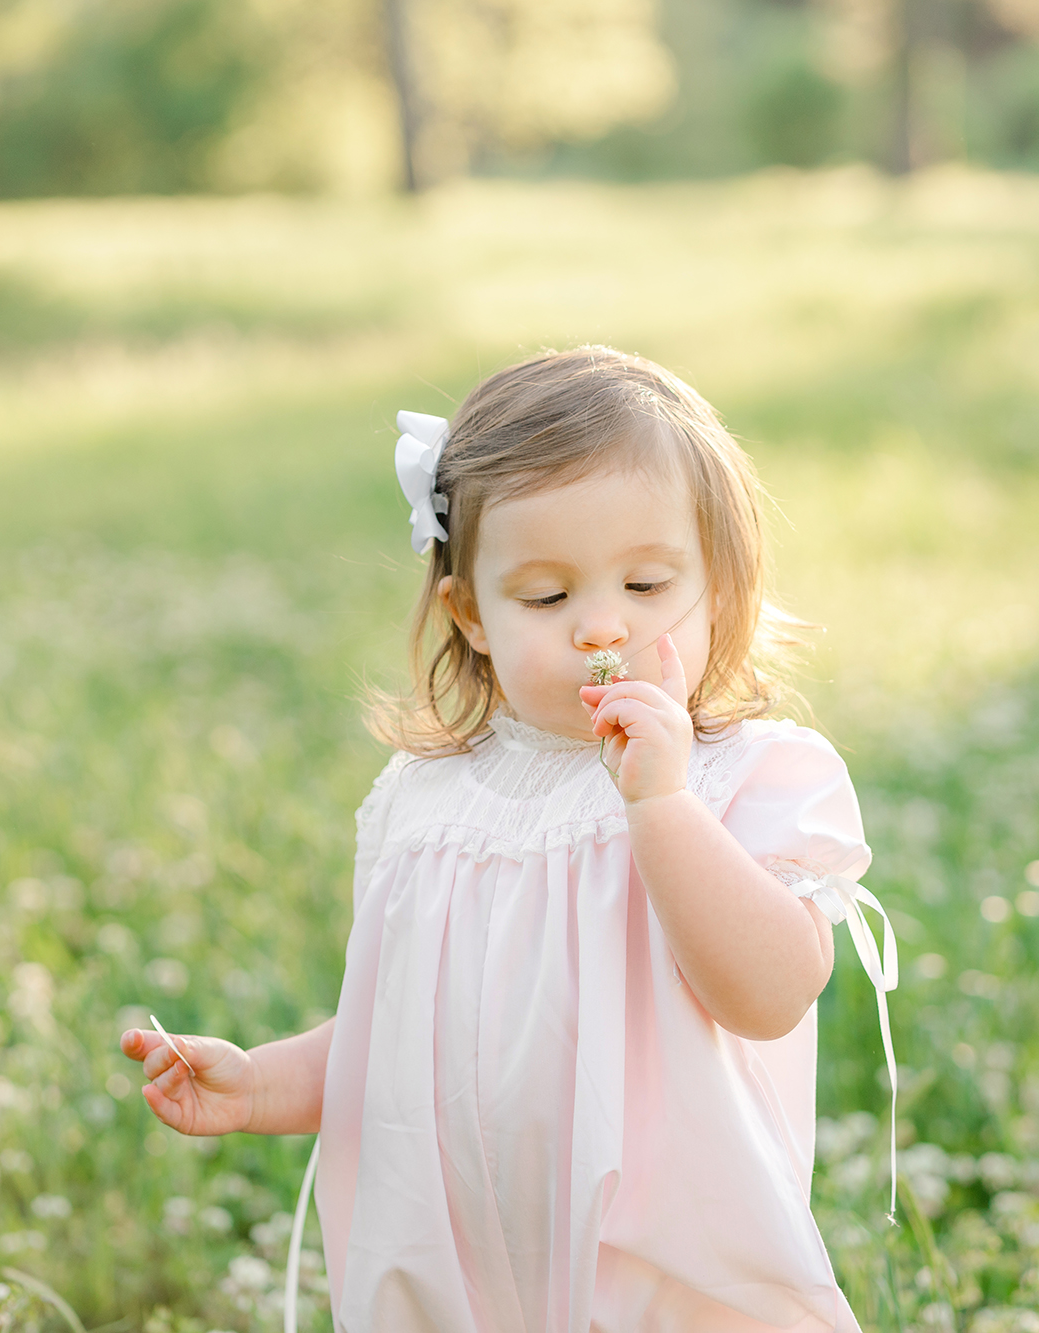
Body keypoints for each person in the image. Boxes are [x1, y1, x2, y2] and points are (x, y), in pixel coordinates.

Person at [121, 346, 897, 1332]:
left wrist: (661, 807)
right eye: (546, 596)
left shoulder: (740, 775)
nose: (600, 626)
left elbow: (771, 991)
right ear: (471, 613)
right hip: (474, 1280)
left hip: (657, 1270)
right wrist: (263, 1080)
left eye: (649, 584)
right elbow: (401, 1032)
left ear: (719, 581)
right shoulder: (424, 800)